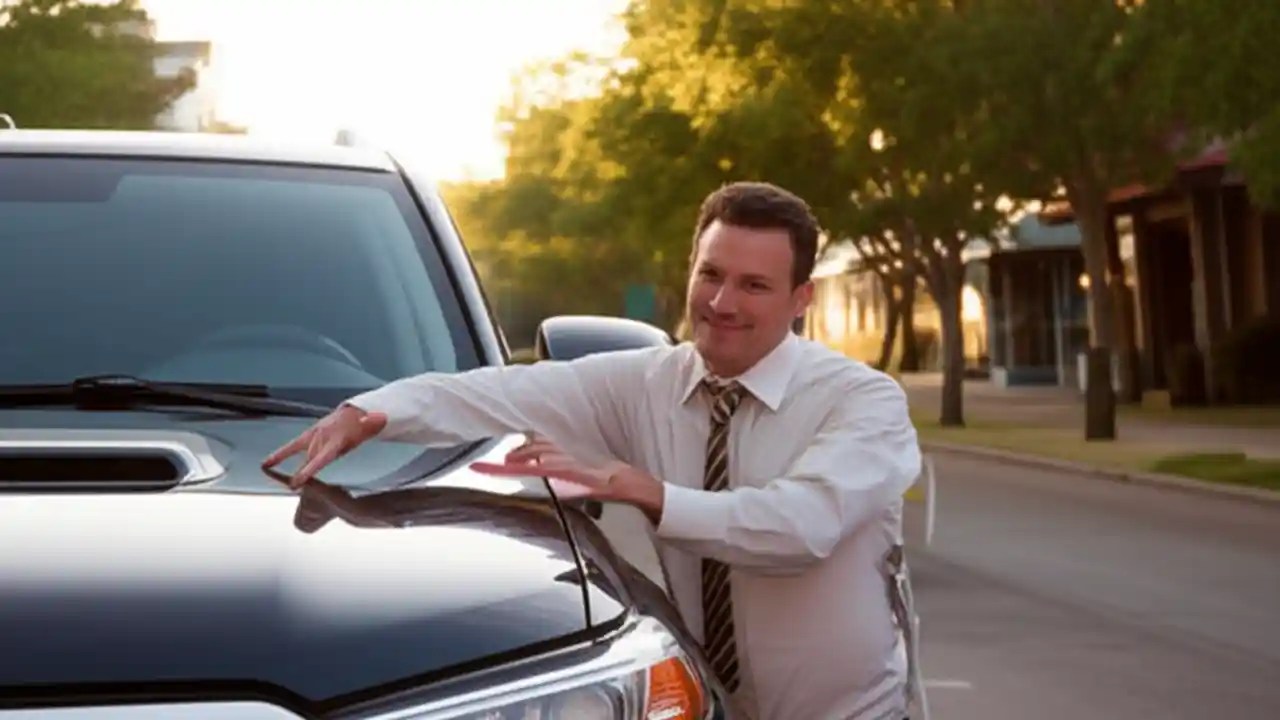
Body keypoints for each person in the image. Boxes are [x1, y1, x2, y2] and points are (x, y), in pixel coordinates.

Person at [263, 181, 922, 720]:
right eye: (711, 274)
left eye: (754, 285)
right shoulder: (648, 381)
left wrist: (645, 491)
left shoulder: (864, 403)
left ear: (801, 298)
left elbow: (800, 527)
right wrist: (373, 413)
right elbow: (500, 393)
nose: (722, 303)